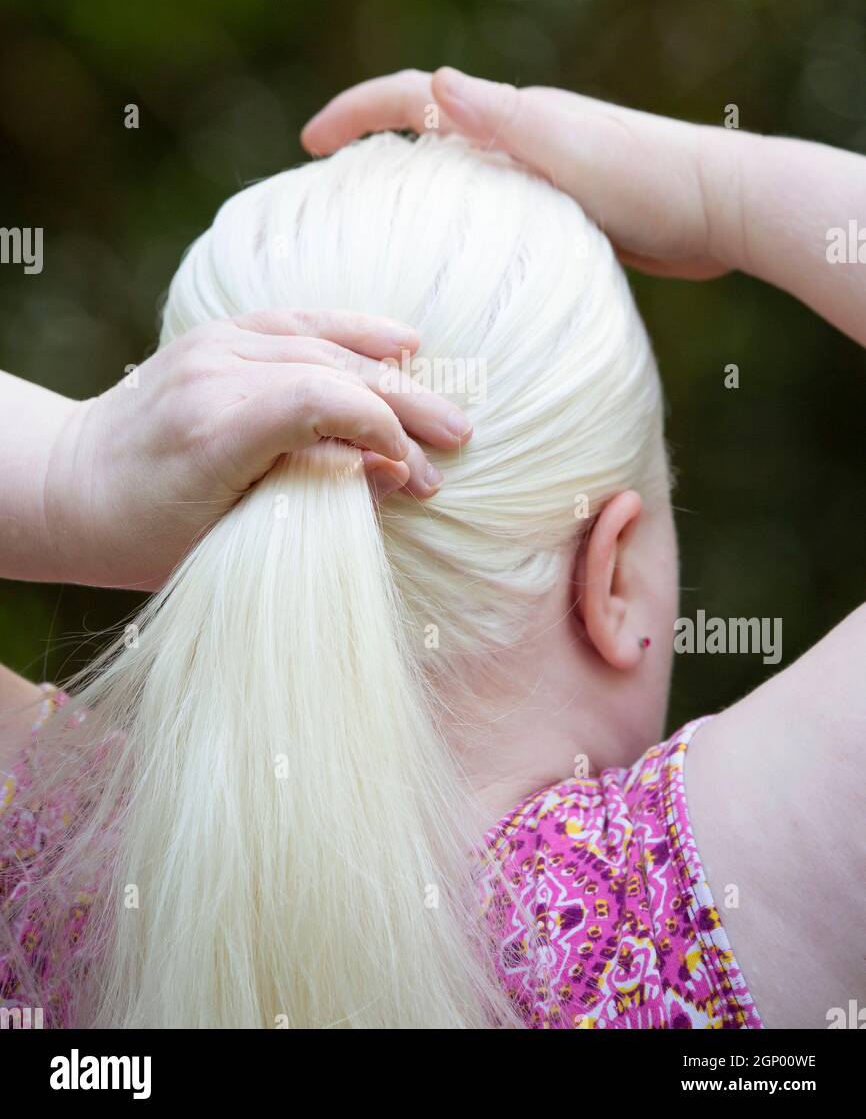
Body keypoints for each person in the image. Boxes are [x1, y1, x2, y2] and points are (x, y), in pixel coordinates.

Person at [0, 74, 862, 1028]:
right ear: (610, 574)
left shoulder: (54, 877)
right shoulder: (689, 904)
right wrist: (716, 189)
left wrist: (65, 475)